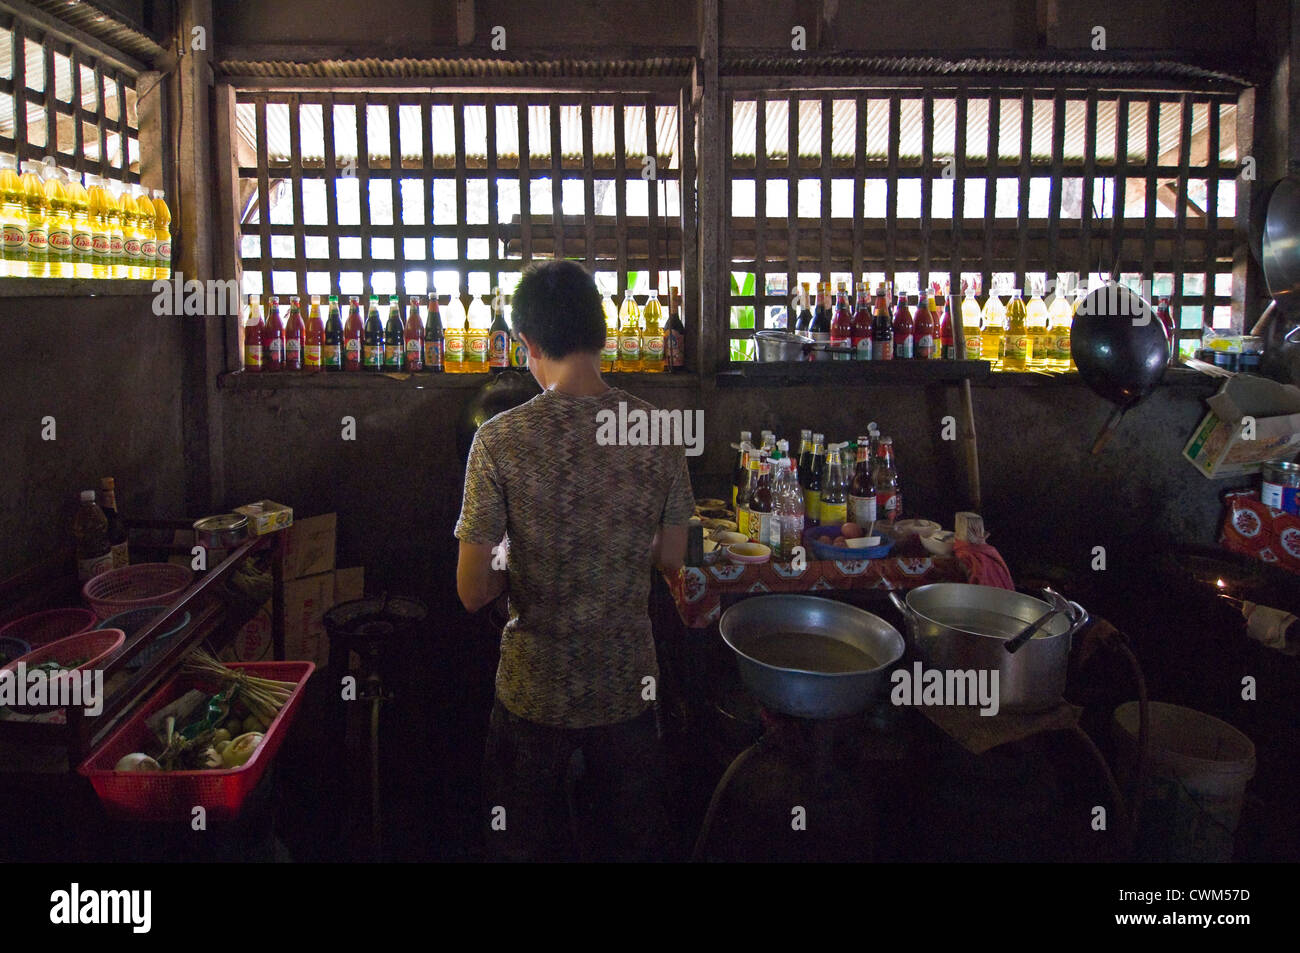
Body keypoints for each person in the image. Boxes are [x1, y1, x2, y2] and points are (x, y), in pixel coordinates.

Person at [455, 261, 694, 862]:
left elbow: (472, 590)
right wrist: (607, 540)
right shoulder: (658, 431)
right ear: (602, 335)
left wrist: (531, 554)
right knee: (630, 843)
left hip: (534, 692)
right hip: (627, 688)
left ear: (531, 346)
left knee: (522, 846)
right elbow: (671, 557)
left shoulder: (500, 439)